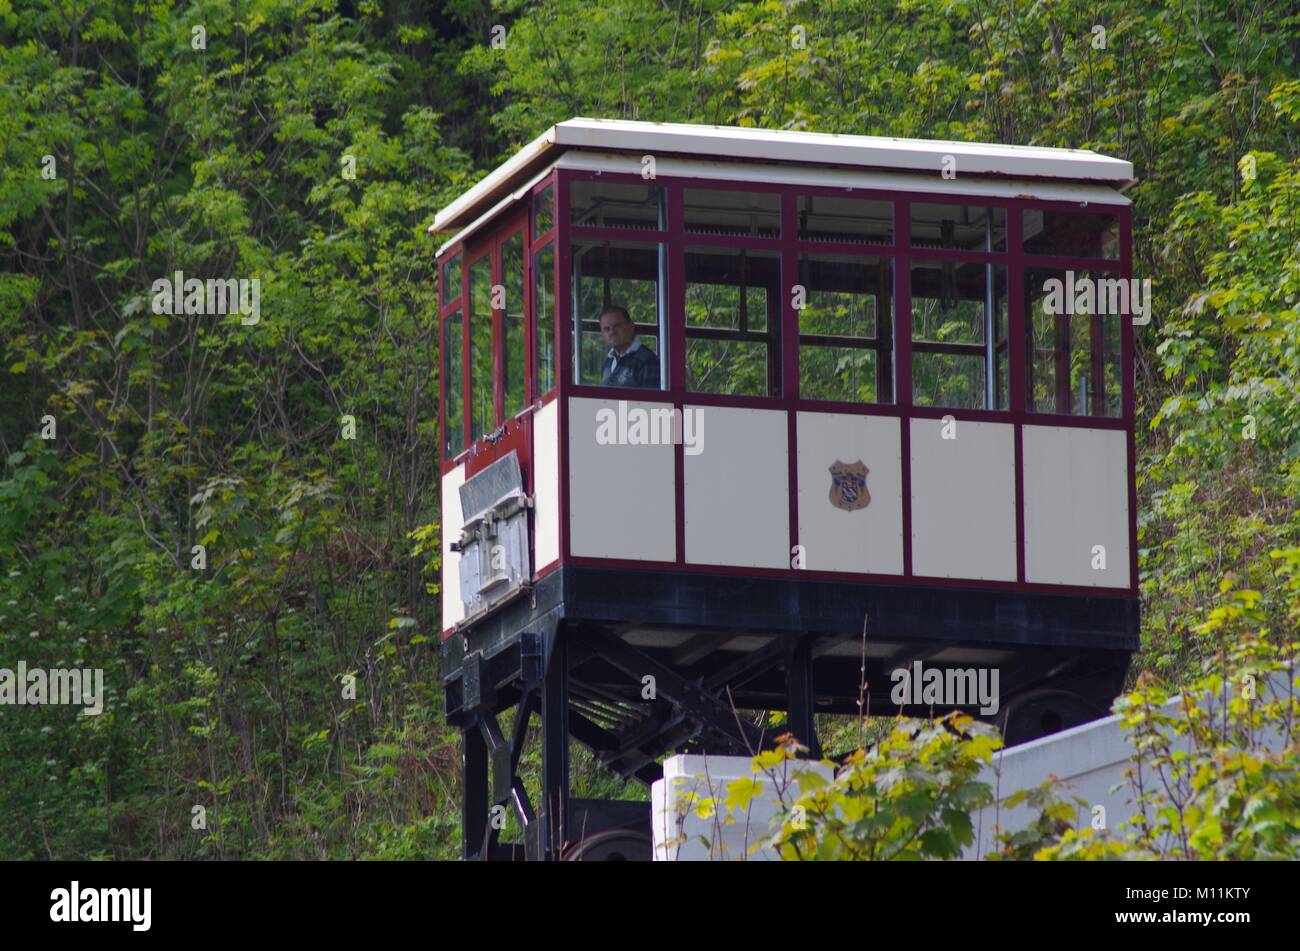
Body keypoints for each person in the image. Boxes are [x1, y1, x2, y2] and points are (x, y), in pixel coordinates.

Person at [598, 305, 660, 388]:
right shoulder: (608, 362)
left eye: (617, 326)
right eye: (607, 329)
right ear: (602, 334)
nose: (612, 332)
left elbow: (652, 400)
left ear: (631, 327)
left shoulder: (646, 360)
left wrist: (619, 402)